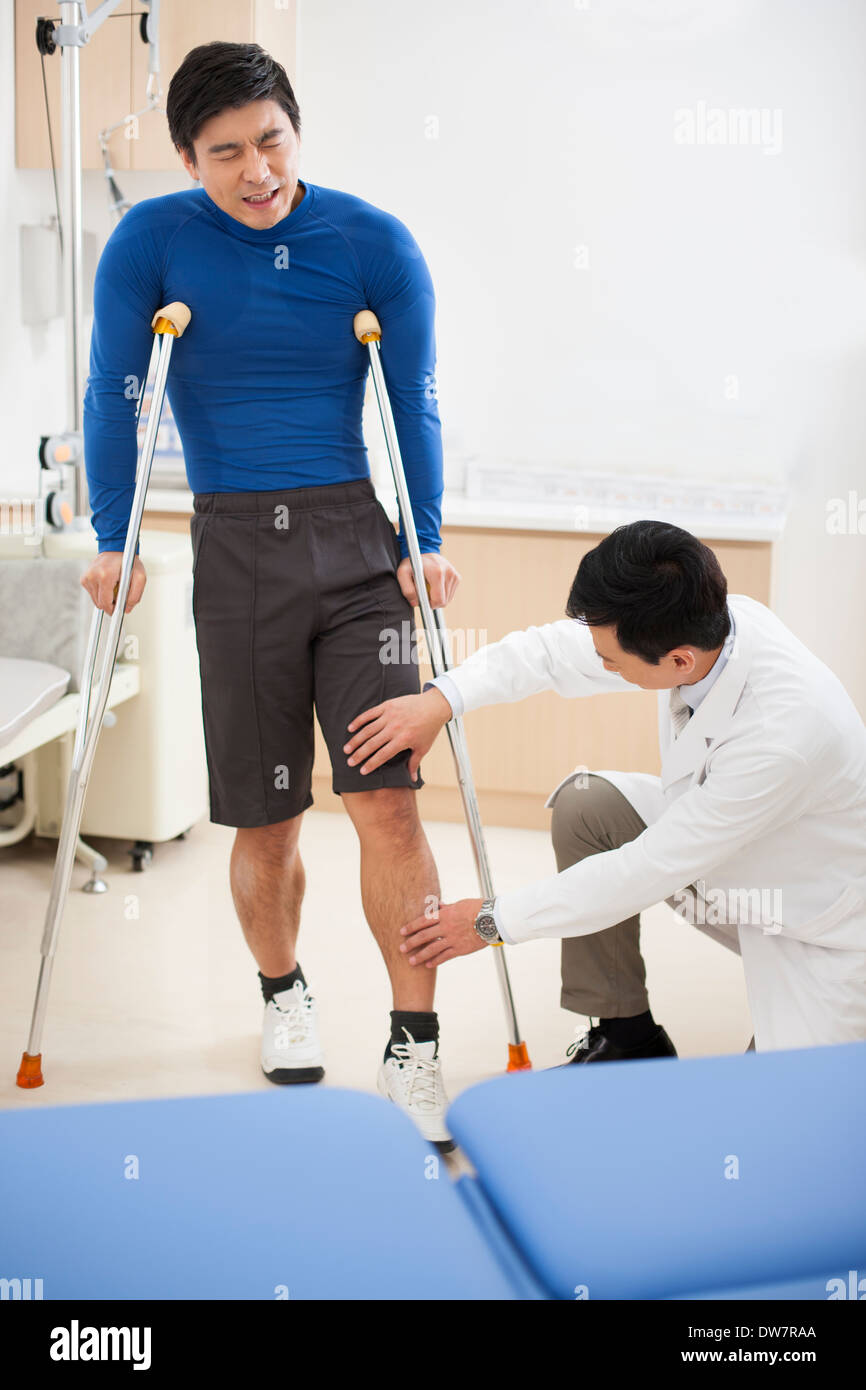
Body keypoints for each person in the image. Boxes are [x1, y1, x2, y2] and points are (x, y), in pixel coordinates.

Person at [80, 41, 460, 1148]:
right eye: (225, 152)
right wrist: (113, 535)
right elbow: (114, 393)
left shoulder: (370, 242)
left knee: (385, 796)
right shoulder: (151, 242)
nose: (257, 171)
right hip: (235, 550)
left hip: (355, 545)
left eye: (272, 141)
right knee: (269, 811)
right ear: (187, 157)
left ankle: (413, 1041)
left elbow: (416, 400)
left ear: (298, 128)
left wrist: (423, 539)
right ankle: (283, 993)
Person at [345, 520, 866, 1056]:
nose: (599, 665)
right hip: (721, 851)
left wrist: (491, 921)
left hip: (813, 921)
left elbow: (645, 868)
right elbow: (551, 652)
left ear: (679, 660)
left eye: (610, 661)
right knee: (589, 803)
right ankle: (627, 1034)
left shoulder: (784, 735)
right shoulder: (700, 625)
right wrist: (442, 700)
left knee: (787, 1115)